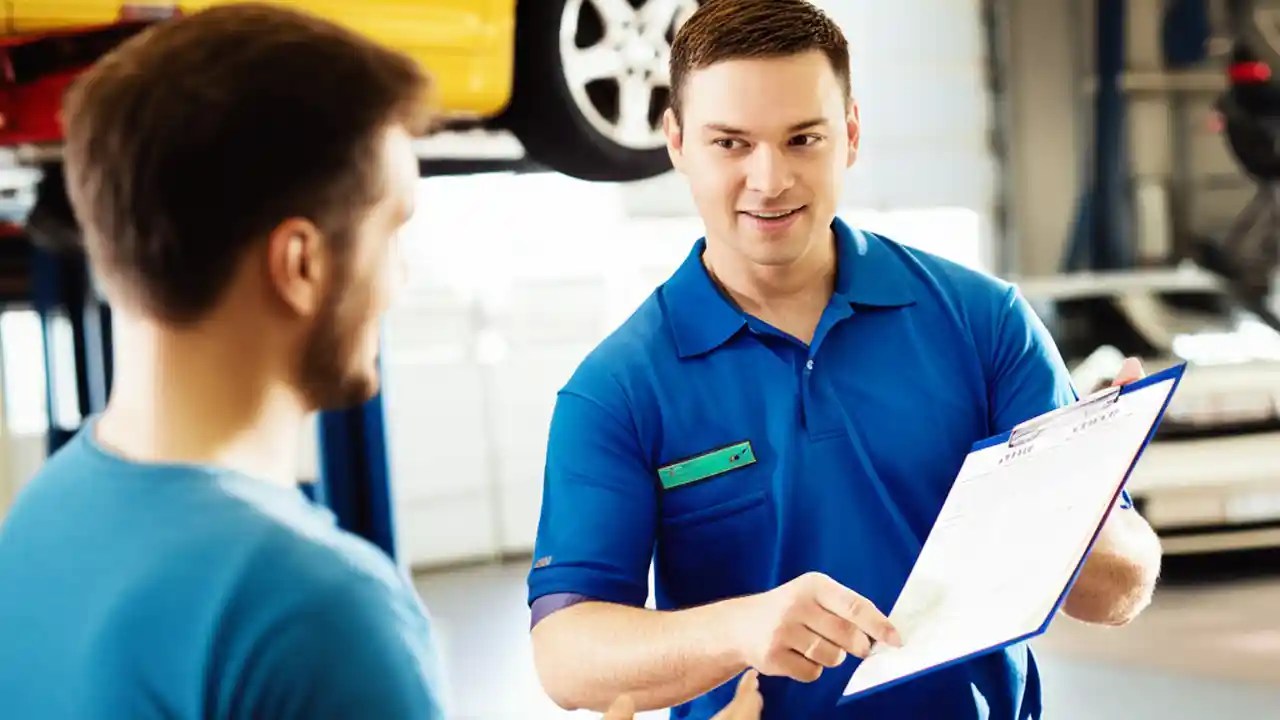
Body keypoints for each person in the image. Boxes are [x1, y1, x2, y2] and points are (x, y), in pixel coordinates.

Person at [526, 1, 1164, 719]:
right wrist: (738, 628)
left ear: (851, 135)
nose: (769, 180)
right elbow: (567, 656)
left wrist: (1088, 496)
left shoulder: (985, 324)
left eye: (803, 139)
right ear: (676, 142)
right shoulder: (617, 389)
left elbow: (1113, 594)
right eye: (730, 143)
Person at [0, 5, 446, 718]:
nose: (402, 277)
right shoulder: (314, 613)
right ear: (300, 263)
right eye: (392, 231)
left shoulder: (41, 518)